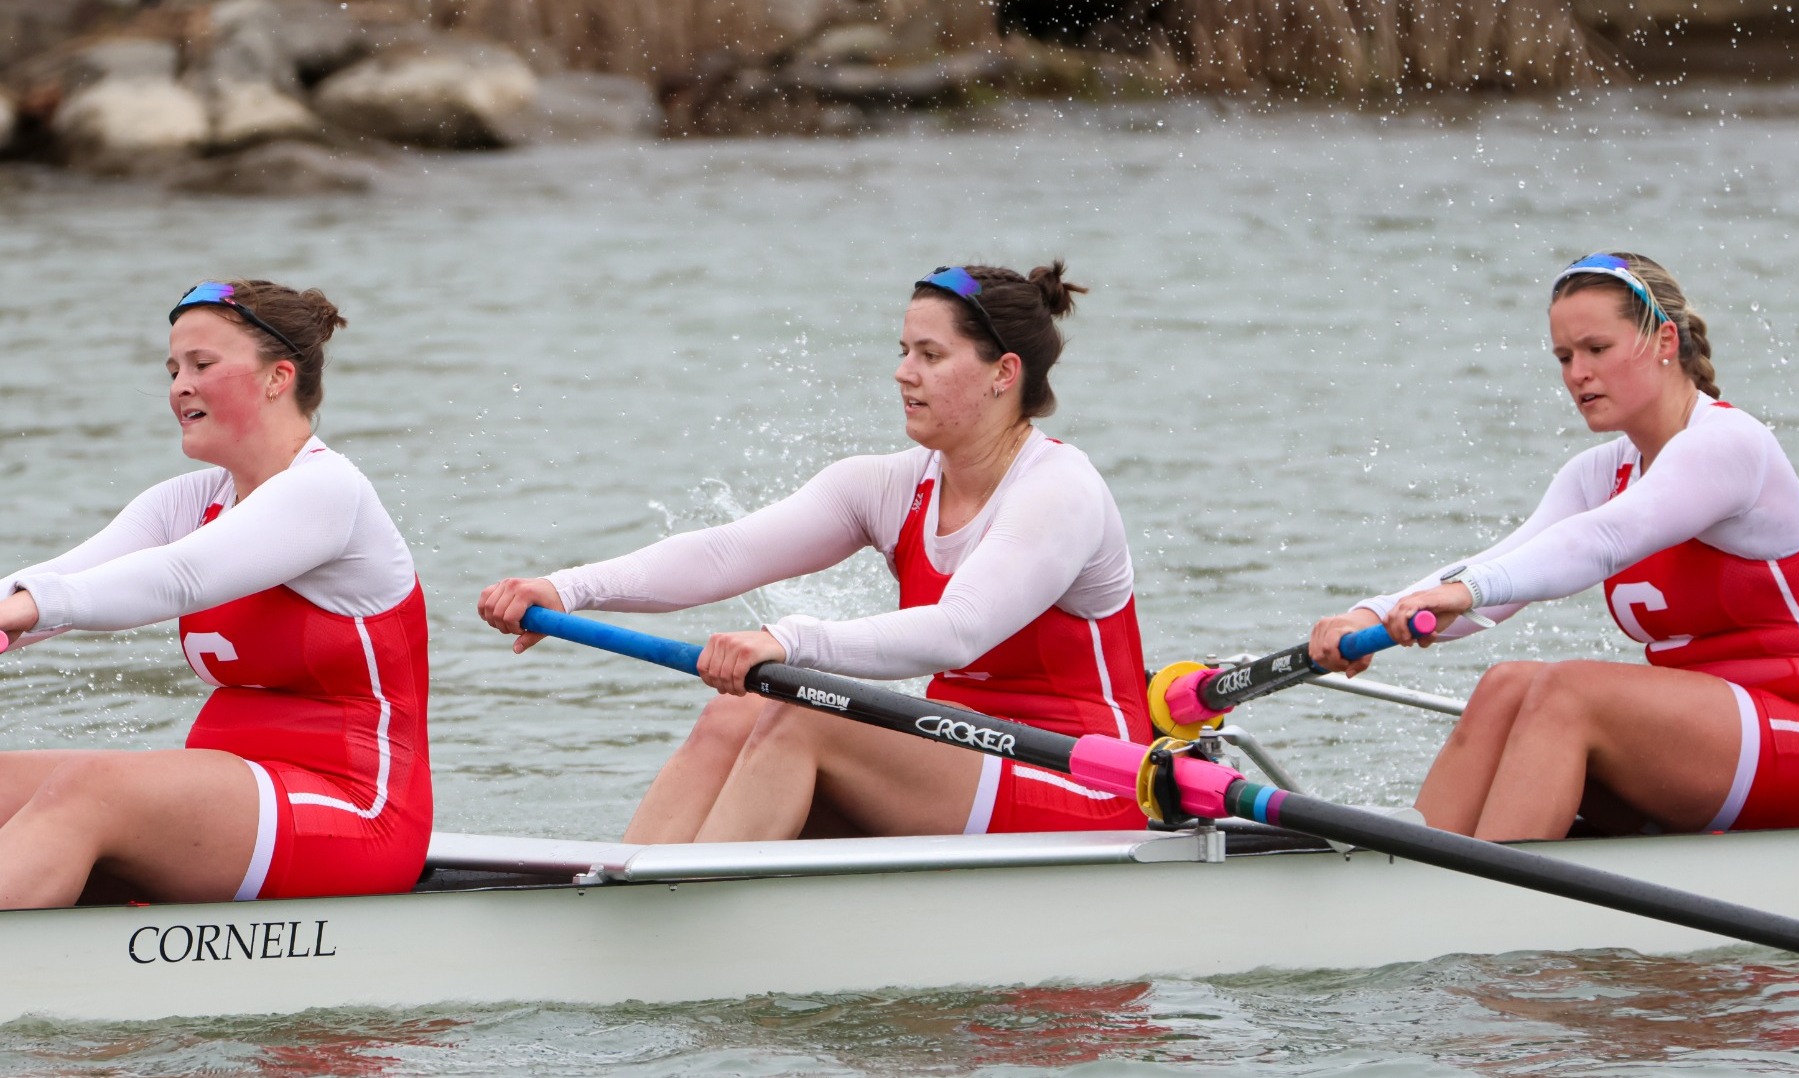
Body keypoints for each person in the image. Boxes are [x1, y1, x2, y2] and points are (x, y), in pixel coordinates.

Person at [479, 262, 1150, 843]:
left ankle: (679, 934)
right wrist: (566, 589)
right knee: (734, 713)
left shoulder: (1059, 489)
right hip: (965, 754)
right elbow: (725, 553)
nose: (901, 372)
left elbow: (958, 631)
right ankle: (632, 897)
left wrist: (788, 640)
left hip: (1085, 778)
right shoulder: (887, 485)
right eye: (903, 350)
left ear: (1004, 373)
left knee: (802, 715)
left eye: (929, 355)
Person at [1309, 252, 1799, 842]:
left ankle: (1479, 912)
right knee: (1509, 684)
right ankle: (1415, 879)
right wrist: (1373, 614)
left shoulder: (1730, 444)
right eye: (1564, 357)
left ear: (1664, 340)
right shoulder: (1598, 473)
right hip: (1713, 745)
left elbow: (1603, 541)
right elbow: (1498, 572)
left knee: (1567, 692)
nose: (1576, 373)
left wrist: (1464, 591)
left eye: (1596, 349)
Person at [0, 280, 431, 908]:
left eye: (203, 365)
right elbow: (54, 584)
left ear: (277, 377)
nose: (179, 385)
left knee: (92, 787)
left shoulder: (328, 491)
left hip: (354, 810)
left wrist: (24, 610)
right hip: (239, 796)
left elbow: (181, 577)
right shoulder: (184, 501)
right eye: (174, 368)